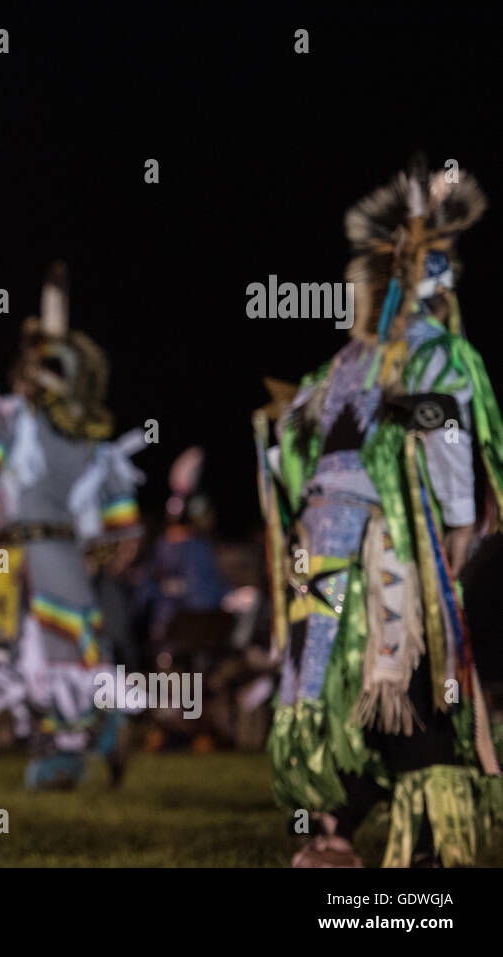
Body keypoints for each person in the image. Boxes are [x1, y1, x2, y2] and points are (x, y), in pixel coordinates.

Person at [255, 160, 503, 867]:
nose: (451, 287)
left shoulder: (339, 364)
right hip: (386, 545)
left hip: (317, 549)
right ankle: (425, 844)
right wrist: (458, 526)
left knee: (322, 688)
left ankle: (322, 830)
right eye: (443, 271)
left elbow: (283, 445)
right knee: (407, 684)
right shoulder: (435, 353)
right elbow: (450, 429)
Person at [0, 263, 145, 790]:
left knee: (32, 654)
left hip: (22, 558)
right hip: (69, 563)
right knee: (66, 652)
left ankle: (66, 751)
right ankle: (93, 734)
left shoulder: (11, 415)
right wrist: (97, 560)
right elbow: (124, 530)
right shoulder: (96, 445)